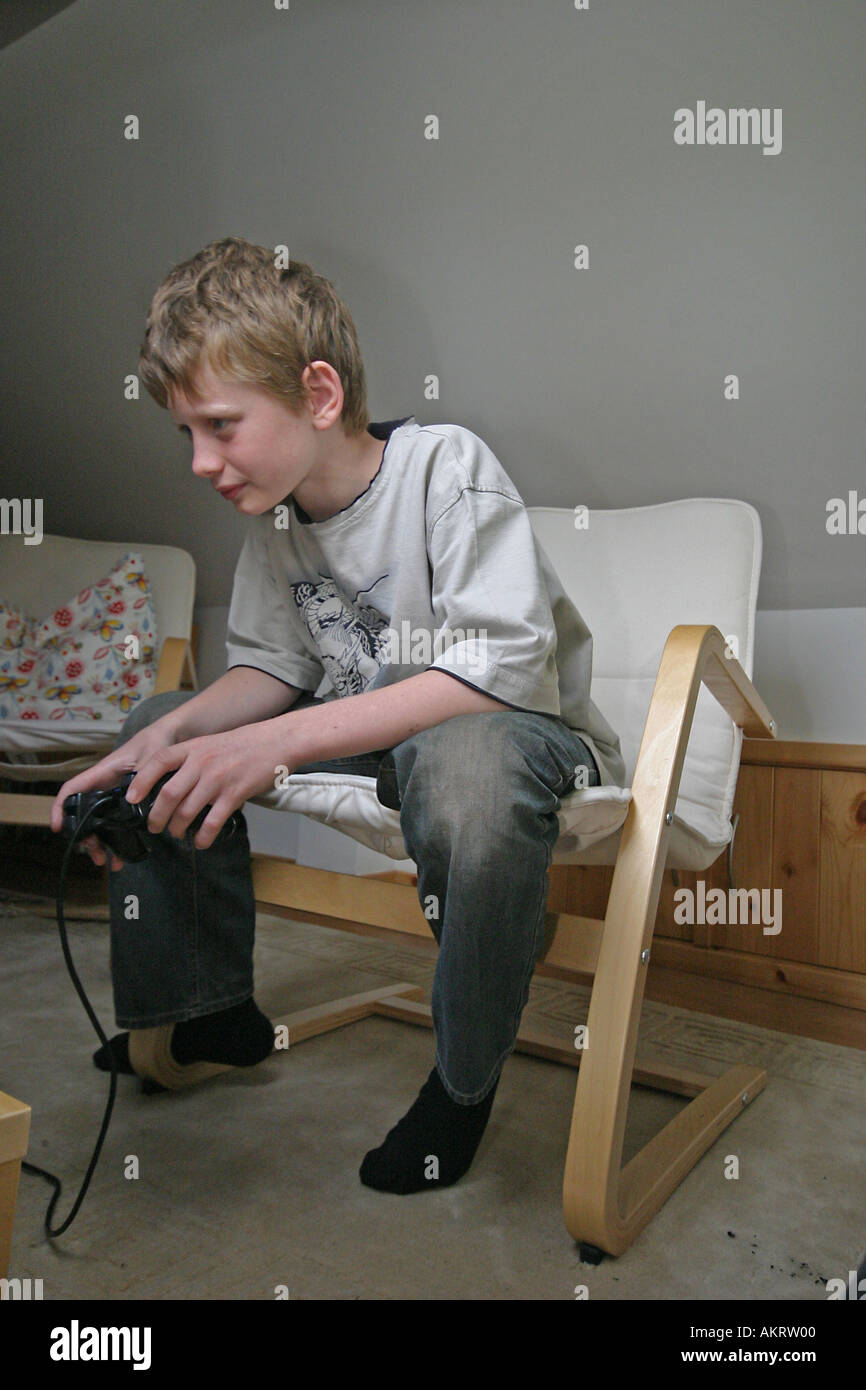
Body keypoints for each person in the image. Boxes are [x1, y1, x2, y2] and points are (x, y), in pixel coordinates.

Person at [50, 236, 626, 1194]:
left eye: (222, 426)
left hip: (522, 742)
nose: (200, 462)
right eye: (186, 433)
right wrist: (169, 738)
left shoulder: (446, 466)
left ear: (319, 395)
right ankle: (208, 1011)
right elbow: (275, 669)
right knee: (164, 712)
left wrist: (268, 741)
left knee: (461, 761)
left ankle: (462, 1076)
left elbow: (497, 667)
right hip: (388, 748)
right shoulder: (274, 520)